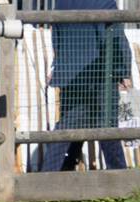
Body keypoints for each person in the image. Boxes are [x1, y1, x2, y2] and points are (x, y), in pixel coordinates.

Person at [39, 0, 133, 172]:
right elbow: (116, 37)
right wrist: (124, 70)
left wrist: (59, 64)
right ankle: (119, 174)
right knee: (107, 127)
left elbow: (56, 37)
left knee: (67, 128)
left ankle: (50, 173)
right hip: (101, 73)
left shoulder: (61, 3)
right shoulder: (105, 3)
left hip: (71, 74)